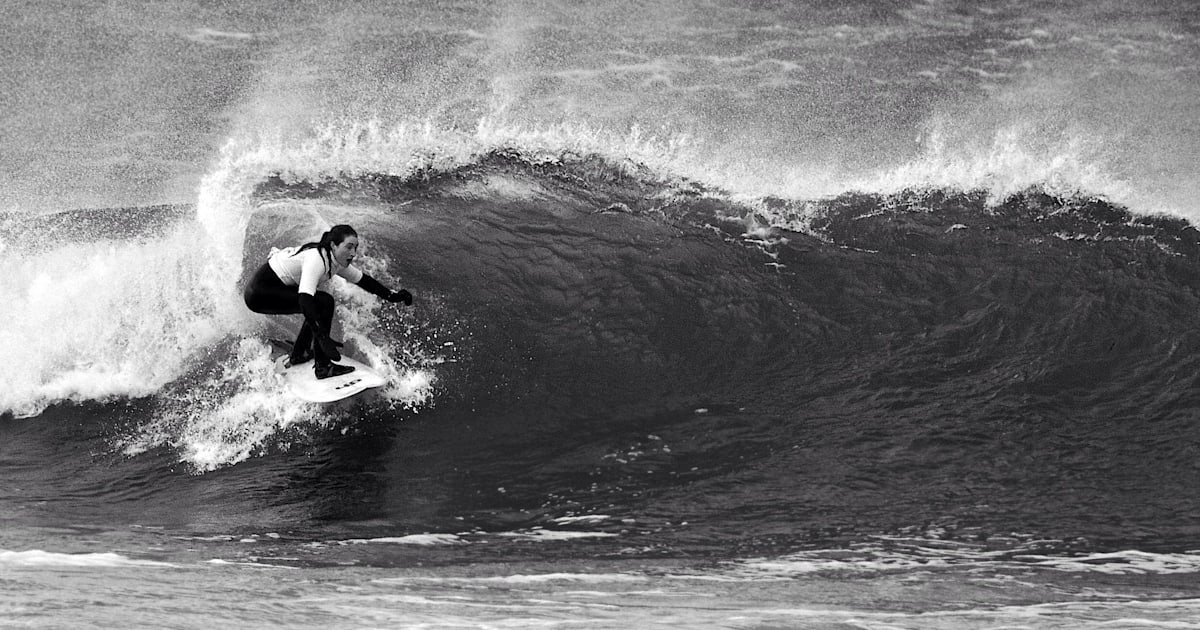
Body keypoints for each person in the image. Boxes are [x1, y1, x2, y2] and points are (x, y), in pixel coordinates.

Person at [243, 224, 413, 379]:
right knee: (323, 301)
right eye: (349, 247)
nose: (353, 253)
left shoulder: (336, 262)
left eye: (355, 248)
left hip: (275, 288)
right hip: (259, 293)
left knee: (320, 301)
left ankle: (300, 353)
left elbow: (364, 281)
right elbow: (304, 299)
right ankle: (323, 367)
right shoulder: (317, 259)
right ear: (333, 246)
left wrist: (393, 296)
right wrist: (322, 337)